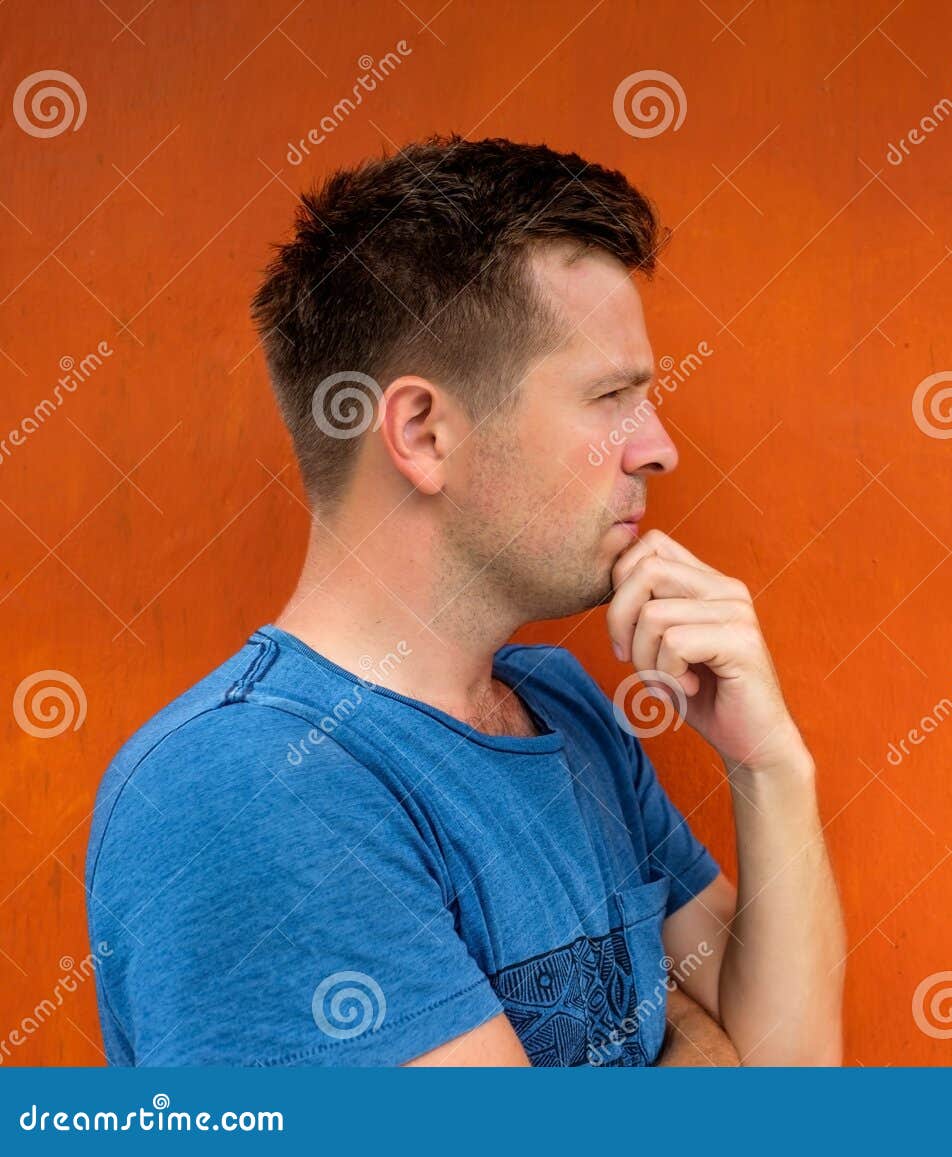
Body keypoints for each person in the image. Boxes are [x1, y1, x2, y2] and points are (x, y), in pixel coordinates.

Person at [84, 135, 845, 1067]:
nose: (657, 449)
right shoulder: (245, 786)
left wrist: (770, 766)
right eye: (610, 394)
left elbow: (796, 1068)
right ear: (423, 432)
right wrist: (699, 1044)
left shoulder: (569, 712)